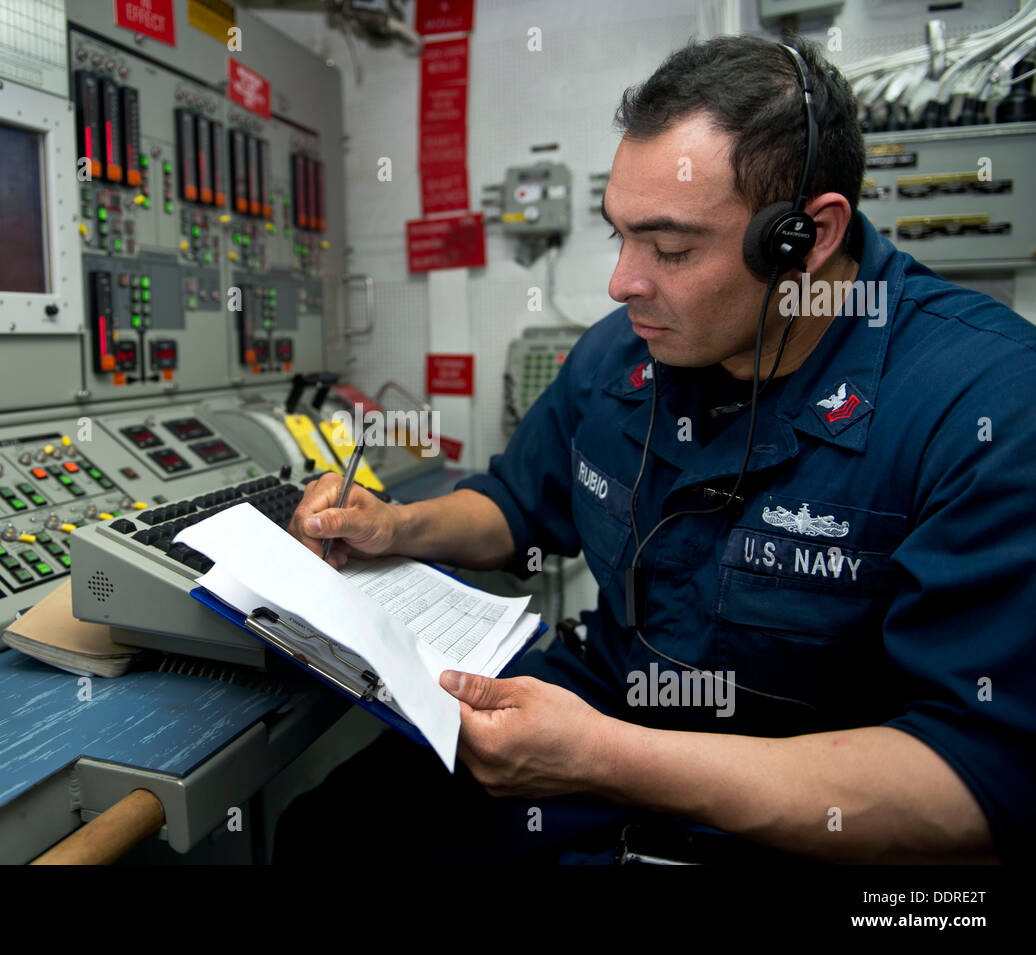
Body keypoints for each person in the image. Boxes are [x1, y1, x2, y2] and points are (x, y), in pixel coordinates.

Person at [275, 35, 1034, 864]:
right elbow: (520, 504)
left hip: (801, 800)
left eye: (671, 250)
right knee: (324, 833)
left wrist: (606, 757)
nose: (623, 283)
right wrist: (399, 526)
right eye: (619, 237)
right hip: (604, 708)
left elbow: (974, 782)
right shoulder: (620, 353)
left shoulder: (983, 402)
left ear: (807, 239)